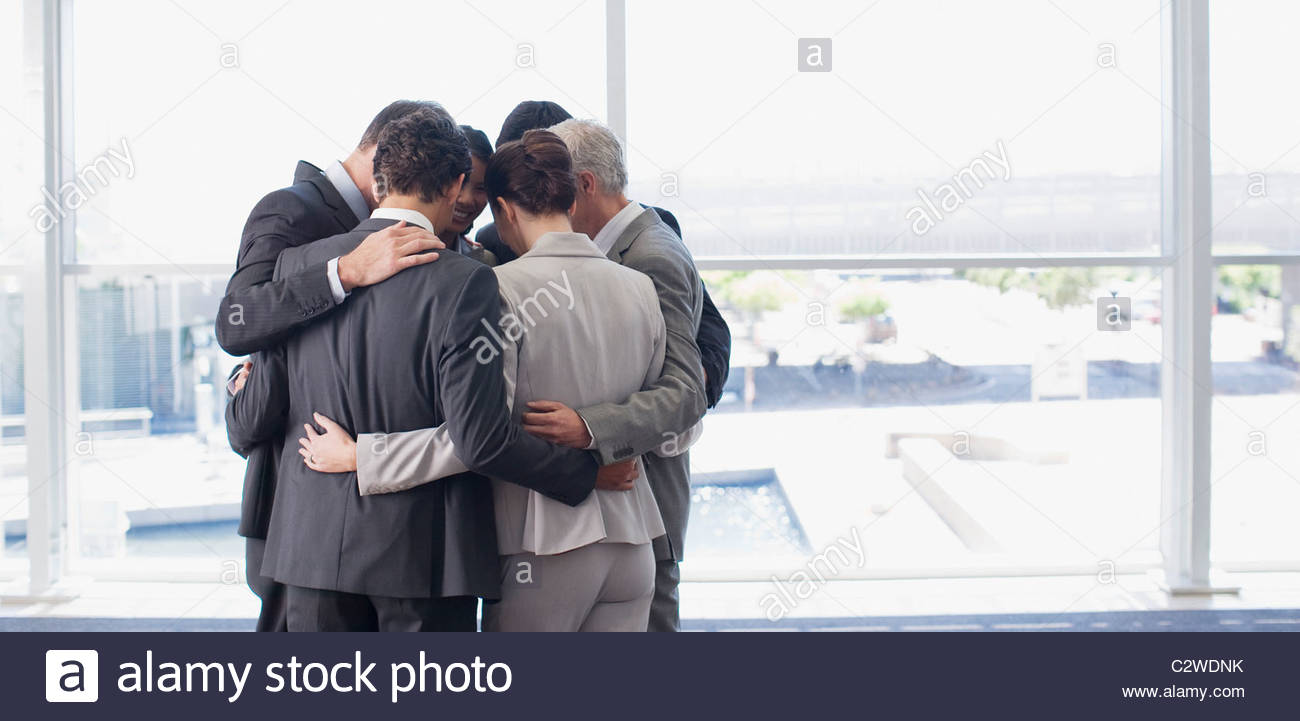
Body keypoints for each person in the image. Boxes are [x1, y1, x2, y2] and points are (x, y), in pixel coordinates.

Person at [225, 106, 637, 631]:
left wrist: (240, 397)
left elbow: (269, 381)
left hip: (311, 549)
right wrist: (586, 472)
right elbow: (480, 437)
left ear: (379, 179)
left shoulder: (300, 266)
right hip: (428, 558)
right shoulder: (466, 282)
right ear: (455, 184)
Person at [218, 100, 451, 632]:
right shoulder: (291, 210)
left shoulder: (394, 224)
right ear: (386, 154)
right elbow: (236, 321)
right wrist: (344, 270)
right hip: (297, 490)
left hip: (386, 507)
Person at [524, 118, 708, 632]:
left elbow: (684, 393)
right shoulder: (627, 246)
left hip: (645, 509)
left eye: (554, 186)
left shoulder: (650, 257)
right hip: (619, 514)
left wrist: (588, 426)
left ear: (583, 184)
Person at [477, 102, 733, 409]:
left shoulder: (651, 254)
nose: (536, 197)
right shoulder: (494, 243)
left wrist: (594, 429)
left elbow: (700, 348)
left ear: (581, 184)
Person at [439, 125, 498, 266]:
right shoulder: (390, 256)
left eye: (481, 188)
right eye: (459, 182)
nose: (467, 200)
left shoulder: (484, 263)